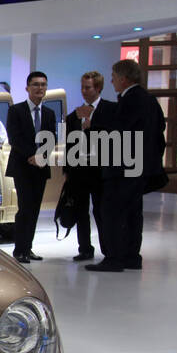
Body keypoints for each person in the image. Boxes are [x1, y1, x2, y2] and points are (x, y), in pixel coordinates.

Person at [87, 58, 166, 272]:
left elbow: (119, 132)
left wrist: (92, 125)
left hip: (122, 167)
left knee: (111, 212)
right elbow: (159, 132)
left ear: (124, 78)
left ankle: (114, 258)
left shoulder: (130, 100)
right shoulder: (150, 100)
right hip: (139, 168)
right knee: (133, 213)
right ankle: (132, 256)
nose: (112, 81)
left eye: (114, 77)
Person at [63, 70, 117, 262]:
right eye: (83, 88)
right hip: (79, 171)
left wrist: (93, 126)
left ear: (98, 88)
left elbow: (115, 138)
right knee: (81, 211)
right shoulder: (74, 116)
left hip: (101, 171)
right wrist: (67, 170)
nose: (84, 91)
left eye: (88, 88)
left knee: (102, 211)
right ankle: (85, 248)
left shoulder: (111, 110)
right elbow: (69, 144)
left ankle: (109, 249)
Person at [5, 71, 56, 263]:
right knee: (25, 208)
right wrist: (31, 155)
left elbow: (52, 138)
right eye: (35, 84)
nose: (39, 88)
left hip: (41, 167)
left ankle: (28, 247)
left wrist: (42, 156)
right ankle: (20, 249)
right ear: (27, 88)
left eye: (43, 84)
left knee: (35, 209)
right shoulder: (16, 110)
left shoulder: (49, 113)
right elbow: (14, 137)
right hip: (22, 166)